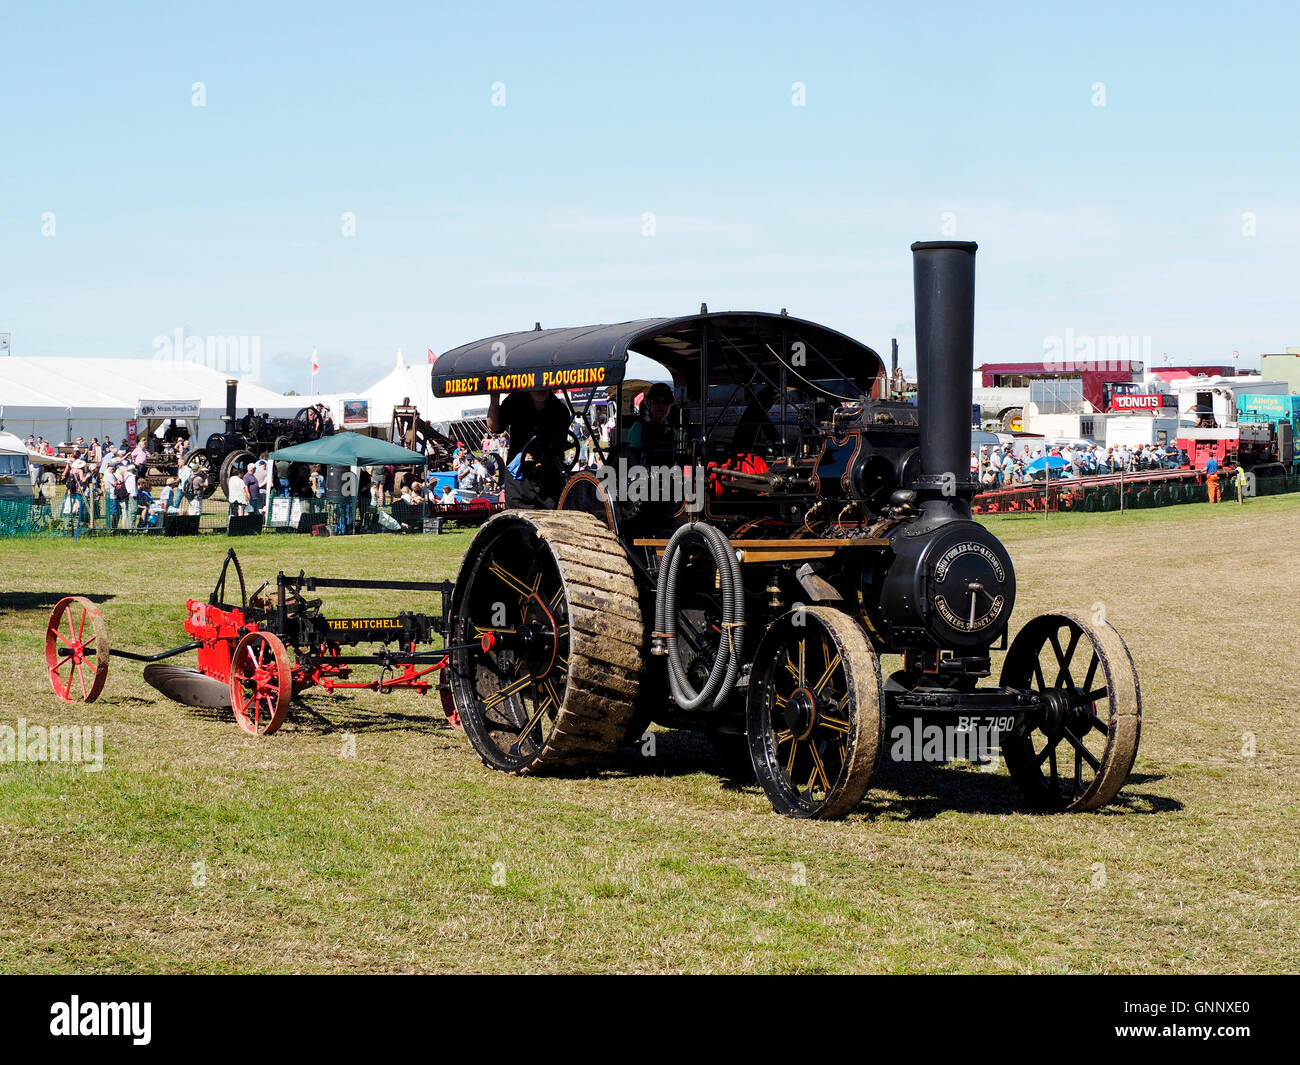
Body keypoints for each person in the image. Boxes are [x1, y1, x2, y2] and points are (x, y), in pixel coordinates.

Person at [488, 388, 571, 507]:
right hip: (519, 479)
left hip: (549, 480)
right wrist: (494, 400)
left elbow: (560, 445)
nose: (541, 388)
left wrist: (545, 459)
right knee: (519, 521)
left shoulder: (559, 409)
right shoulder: (515, 402)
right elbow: (494, 427)